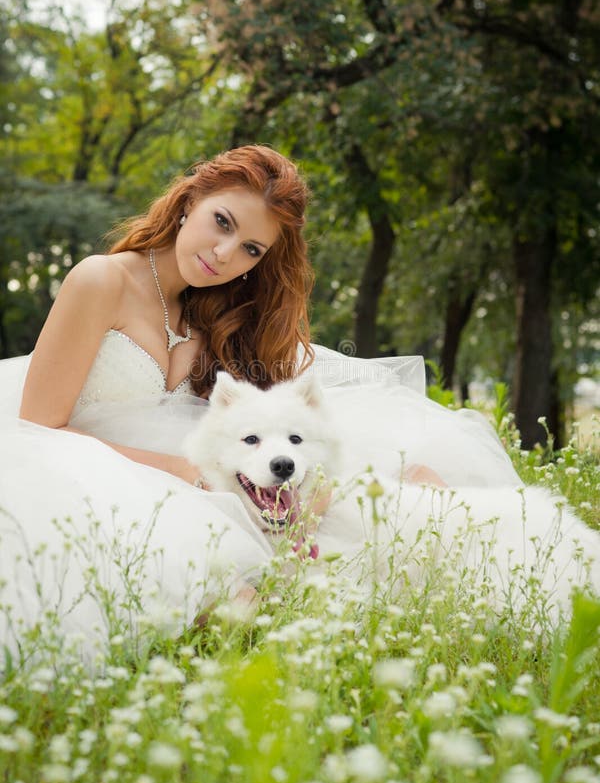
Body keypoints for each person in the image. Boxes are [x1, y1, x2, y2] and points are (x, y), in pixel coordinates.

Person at [0, 144, 521, 665]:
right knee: (234, 602)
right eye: (221, 222)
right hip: (86, 468)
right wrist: (184, 471)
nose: (225, 253)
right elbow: (39, 424)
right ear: (190, 200)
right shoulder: (102, 279)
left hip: (186, 473)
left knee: (393, 491)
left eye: (250, 249)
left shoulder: (215, 311)